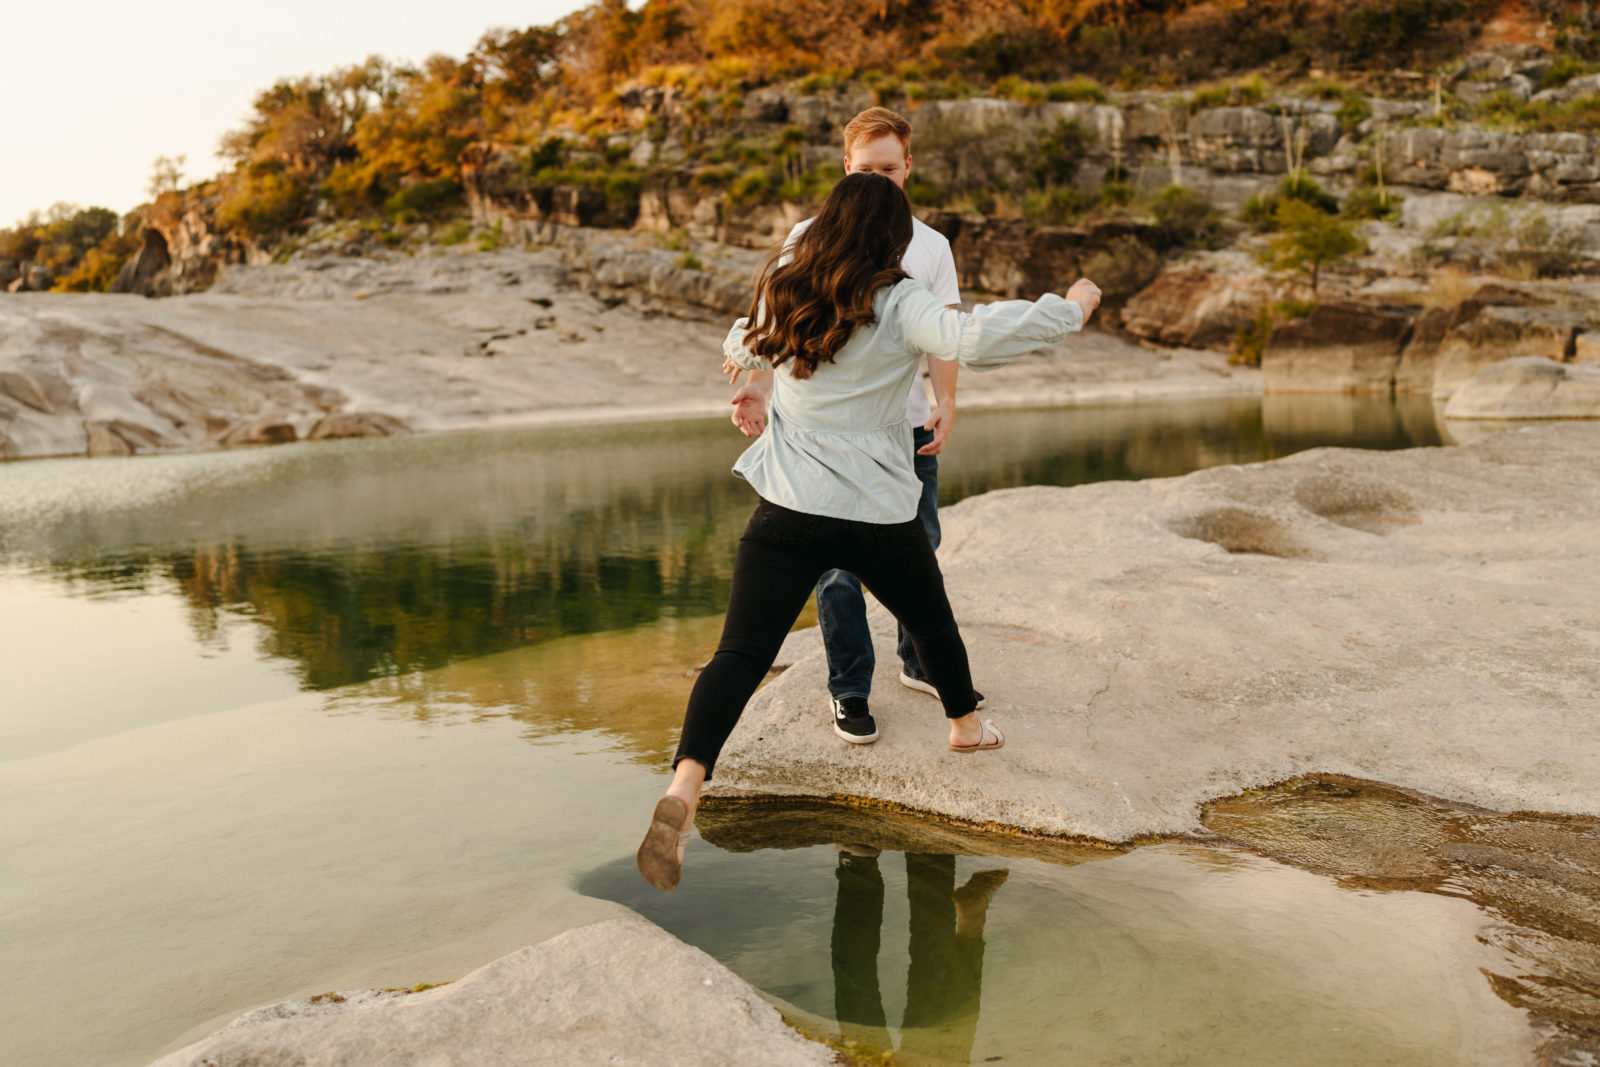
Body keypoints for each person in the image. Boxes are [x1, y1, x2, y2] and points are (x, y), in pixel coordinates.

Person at [636, 172, 1101, 891]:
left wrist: (751, 381)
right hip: (877, 514)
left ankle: (685, 786)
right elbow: (972, 337)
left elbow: (742, 344)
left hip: (787, 509)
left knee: (739, 653)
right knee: (930, 621)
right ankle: (965, 728)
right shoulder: (899, 299)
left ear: (825, 224)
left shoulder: (787, 284)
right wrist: (1068, 309)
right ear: (890, 236)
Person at [727, 107, 970, 746]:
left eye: (890, 169)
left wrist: (946, 400)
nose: (880, 181)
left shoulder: (931, 246)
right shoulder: (808, 235)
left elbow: (945, 336)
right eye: (867, 170)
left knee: (921, 547)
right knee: (836, 570)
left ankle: (920, 663)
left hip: (905, 428)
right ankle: (851, 690)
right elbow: (778, 322)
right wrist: (753, 386)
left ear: (909, 167)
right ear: (845, 169)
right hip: (822, 442)